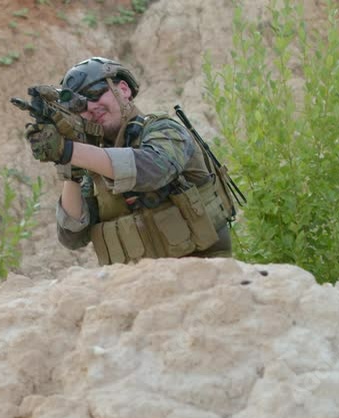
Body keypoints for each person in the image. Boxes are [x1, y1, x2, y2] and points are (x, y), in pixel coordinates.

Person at [25, 57, 234, 265]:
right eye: (79, 106)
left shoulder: (165, 130)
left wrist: (69, 150)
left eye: (95, 93)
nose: (90, 107)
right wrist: (71, 168)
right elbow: (72, 237)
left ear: (123, 89)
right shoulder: (94, 161)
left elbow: (153, 169)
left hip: (205, 271)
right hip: (139, 285)